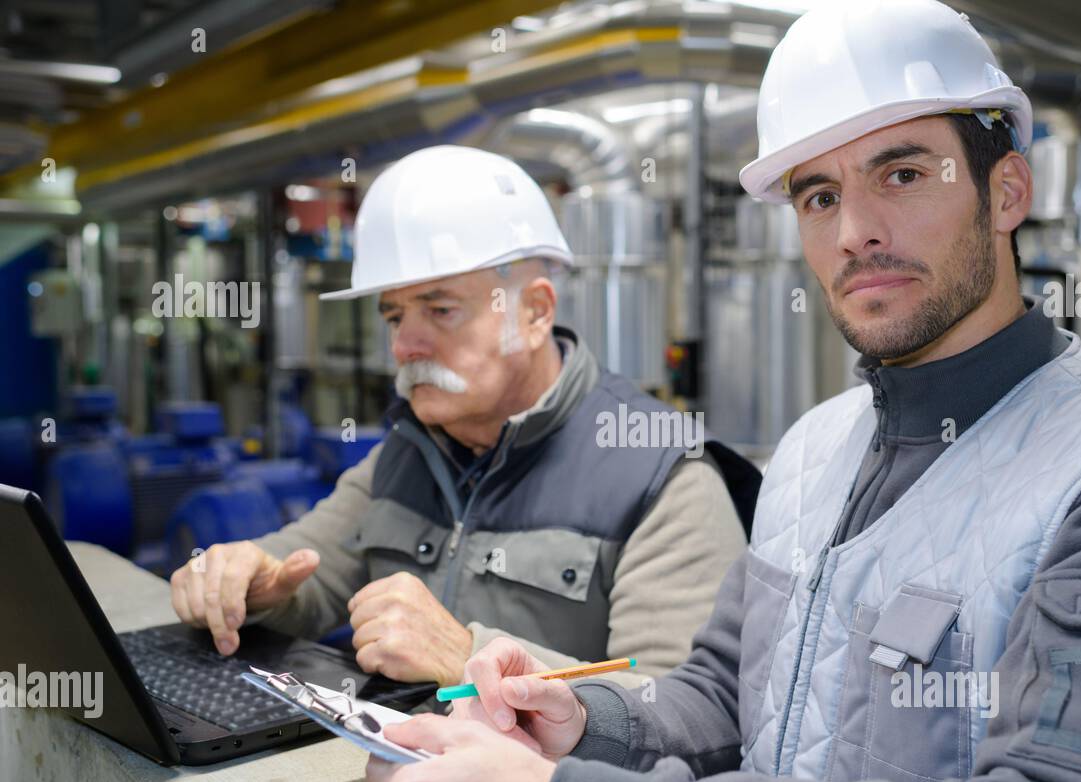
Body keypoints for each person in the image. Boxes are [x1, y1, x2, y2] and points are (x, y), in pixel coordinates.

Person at [364, 0, 1081, 782]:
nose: (856, 233)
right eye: (819, 196)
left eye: (903, 174)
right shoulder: (809, 452)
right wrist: (583, 724)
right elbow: (725, 697)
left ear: (1006, 192)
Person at [168, 145, 760, 690]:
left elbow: (679, 713)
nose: (405, 346)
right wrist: (249, 581)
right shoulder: (406, 452)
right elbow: (310, 573)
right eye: (396, 316)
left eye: (441, 309)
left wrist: (473, 659)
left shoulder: (661, 477)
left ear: (533, 312)